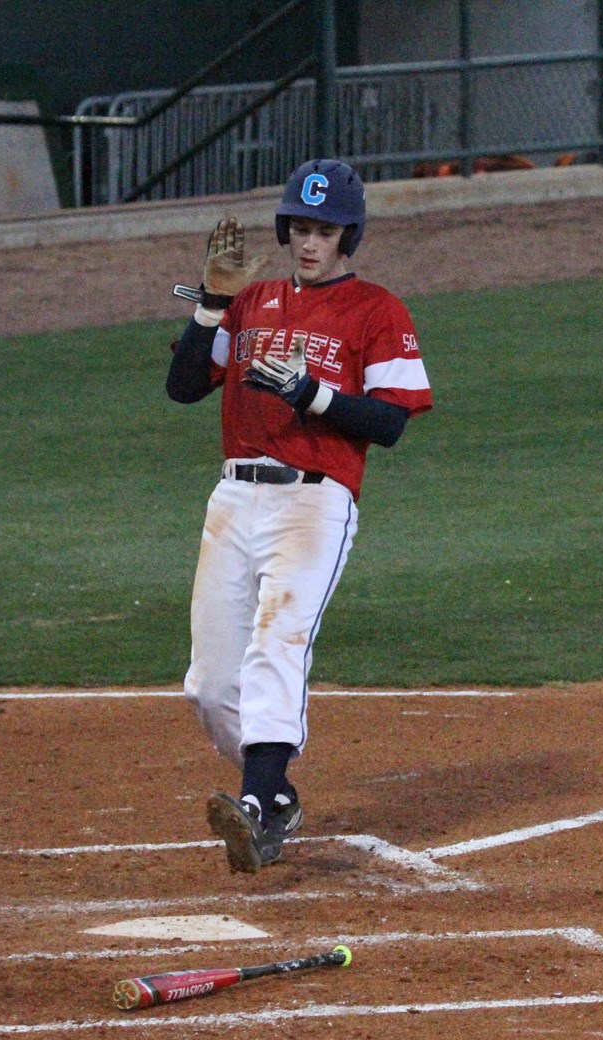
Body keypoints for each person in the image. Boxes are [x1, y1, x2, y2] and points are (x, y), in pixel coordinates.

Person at [165, 159, 433, 874]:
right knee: (211, 683)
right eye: (301, 228)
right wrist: (210, 304)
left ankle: (256, 810)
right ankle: (274, 791)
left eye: (325, 230)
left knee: (276, 644)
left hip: (316, 499)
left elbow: (391, 421)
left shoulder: (376, 311)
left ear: (349, 235)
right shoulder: (250, 300)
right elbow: (184, 385)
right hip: (234, 497)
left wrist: (313, 395)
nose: (310, 242)